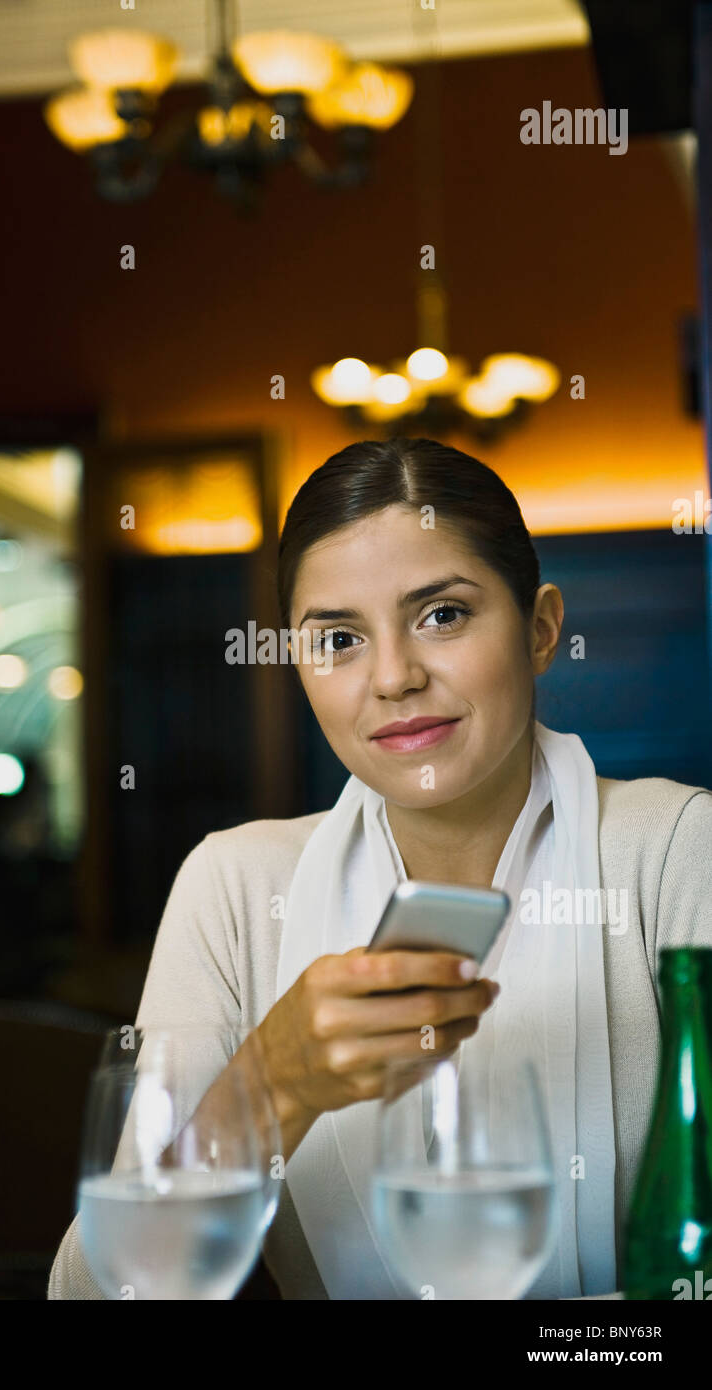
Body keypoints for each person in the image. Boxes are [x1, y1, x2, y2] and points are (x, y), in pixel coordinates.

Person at [48, 436, 712, 1300]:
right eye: (337, 639)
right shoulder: (236, 886)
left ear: (541, 628)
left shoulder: (673, 850)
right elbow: (100, 1293)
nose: (393, 678)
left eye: (442, 614)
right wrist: (270, 1085)